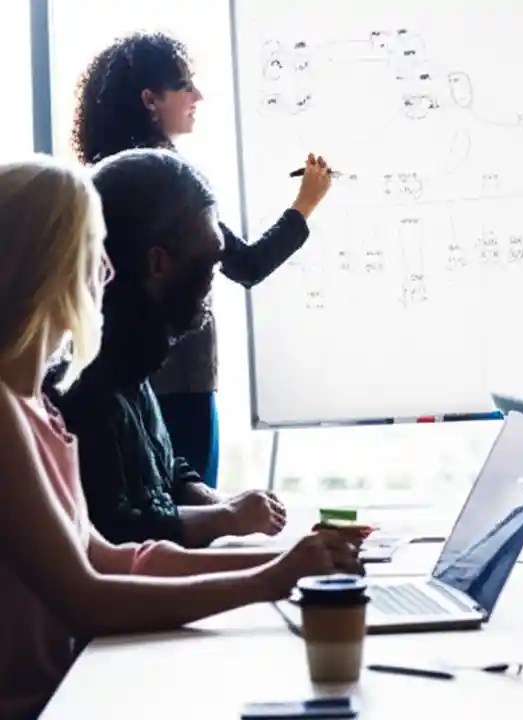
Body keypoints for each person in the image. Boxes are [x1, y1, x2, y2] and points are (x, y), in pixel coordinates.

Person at [0, 155, 359, 718]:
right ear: (51, 267)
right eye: (95, 252)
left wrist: (282, 559)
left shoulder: (34, 405)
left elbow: (114, 559)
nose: (109, 273)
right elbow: (85, 597)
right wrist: (268, 579)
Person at [72, 31, 332, 487]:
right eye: (185, 85)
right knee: (187, 511)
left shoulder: (114, 177)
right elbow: (248, 265)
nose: (198, 96)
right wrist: (306, 203)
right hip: (178, 385)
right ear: (150, 99)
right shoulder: (166, 185)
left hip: (132, 375)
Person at [50, 148, 287, 548]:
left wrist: (223, 503)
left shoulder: (129, 364)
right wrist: (228, 518)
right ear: (157, 264)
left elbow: (161, 473)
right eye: (209, 264)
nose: (215, 278)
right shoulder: (79, 383)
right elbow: (116, 531)